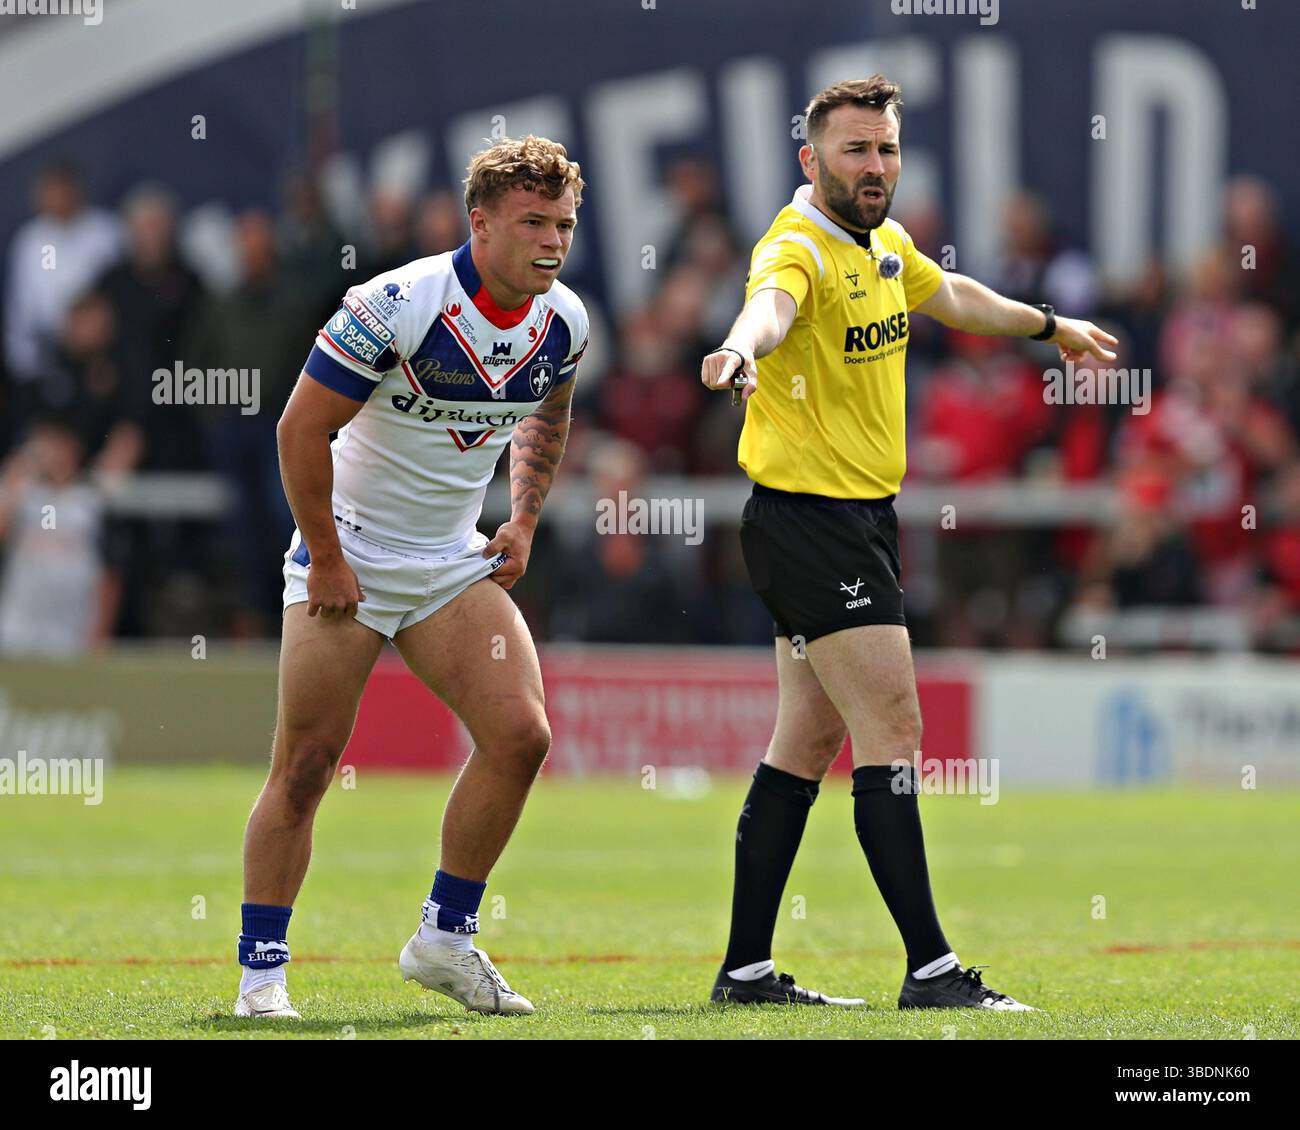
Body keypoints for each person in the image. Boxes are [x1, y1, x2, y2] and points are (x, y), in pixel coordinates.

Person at [699, 76, 1117, 1010]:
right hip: (812, 523)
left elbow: (955, 296)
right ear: (811, 160)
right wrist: (740, 349)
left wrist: (1051, 326)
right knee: (895, 731)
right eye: (856, 150)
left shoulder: (883, 244)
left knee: (804, 745)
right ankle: (932, 972)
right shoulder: (798, 244)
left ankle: (746, 971)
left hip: (847, 521)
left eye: (886, 148)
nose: (876, 165)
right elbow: (768, 303)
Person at [234, 136, 589, 1019]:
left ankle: (443, 938)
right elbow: (297, 431)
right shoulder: (394, 302)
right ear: (480, 222)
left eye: (567, 225)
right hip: (346, 550)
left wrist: (523, 519)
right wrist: (326, 556)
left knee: (523, 737)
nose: (553, 241)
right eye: (534, 222)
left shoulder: (566, 320)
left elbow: (550, 406)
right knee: (308, 766)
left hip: (446, 562)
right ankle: (261, 976)